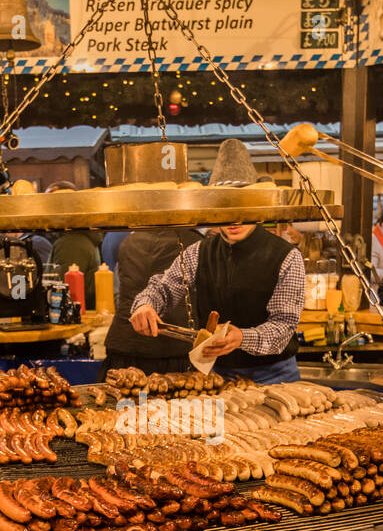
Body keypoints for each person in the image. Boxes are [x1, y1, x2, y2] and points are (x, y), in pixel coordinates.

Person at [129, 139, 305, 384]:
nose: (233, 220)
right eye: (224, 208)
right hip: (216, 374)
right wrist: (145, 305)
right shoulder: (198, 252)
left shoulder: (286, 256)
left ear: (257, 207)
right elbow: (163, 288)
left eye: (241, 209)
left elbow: (283, 327)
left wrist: (242, 337)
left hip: (273, 375)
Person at [103, 227, 203, 376]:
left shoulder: (129, 241)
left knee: (132, 398)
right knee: (166, 398)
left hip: (125, 344)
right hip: (174, 352)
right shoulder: (197, 243)